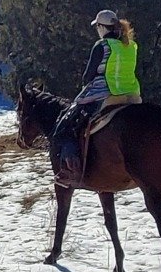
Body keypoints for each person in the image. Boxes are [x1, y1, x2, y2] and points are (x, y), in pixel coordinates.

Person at [52, 10, 139, 179]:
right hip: (132, 94)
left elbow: (88, 76)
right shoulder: (131, 46)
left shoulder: (102, 45)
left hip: (105, 94)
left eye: (97, 27)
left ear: (101, 27)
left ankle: (71, 169)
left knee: (65, 126)